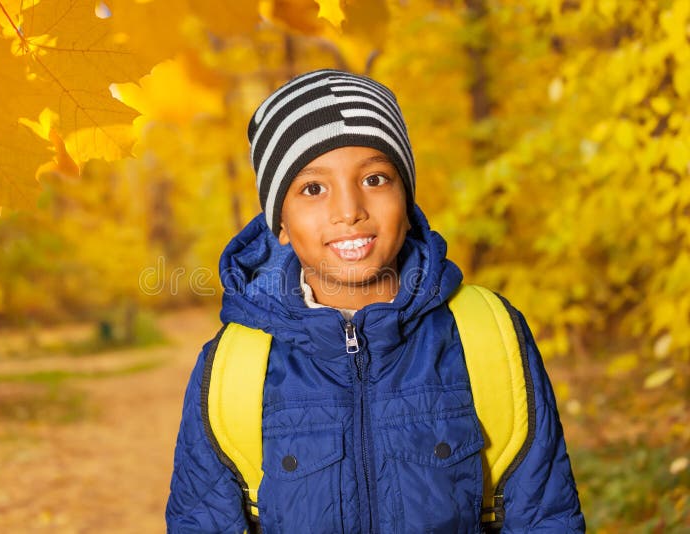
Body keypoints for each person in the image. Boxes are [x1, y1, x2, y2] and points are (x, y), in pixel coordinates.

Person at [166, 69, 585, 533]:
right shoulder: (232, 369)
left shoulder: (489, 336)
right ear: (280, 223)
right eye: (312, 188)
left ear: (406, 200)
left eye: (375, 178)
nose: (349, 210)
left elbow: (546, 517)